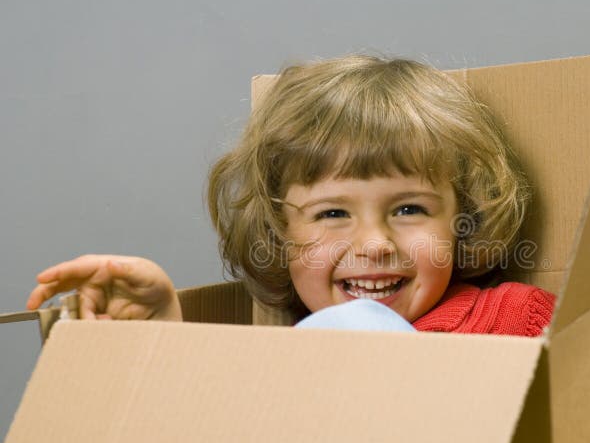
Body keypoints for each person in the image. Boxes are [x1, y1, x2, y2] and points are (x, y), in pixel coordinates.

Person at [26, 55, 554, 336]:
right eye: (332, 213)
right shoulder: (282, 355)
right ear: (279, 235)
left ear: (462, 219)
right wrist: (164, 328)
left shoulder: (518, 320)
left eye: (409, 208)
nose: (373, 244)